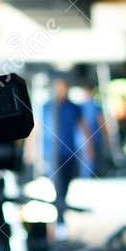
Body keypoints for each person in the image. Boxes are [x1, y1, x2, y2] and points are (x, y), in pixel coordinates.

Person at [44, 77, 85, 234]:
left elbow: (82, 126)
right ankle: (60, 220)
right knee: (58, 185)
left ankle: (60, 217)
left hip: (69, 152)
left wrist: (88, 147)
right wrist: (29, 151)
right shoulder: (46, 107)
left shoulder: (73, 107)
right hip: (51, 154)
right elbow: (37, 129)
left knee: (65, 184)